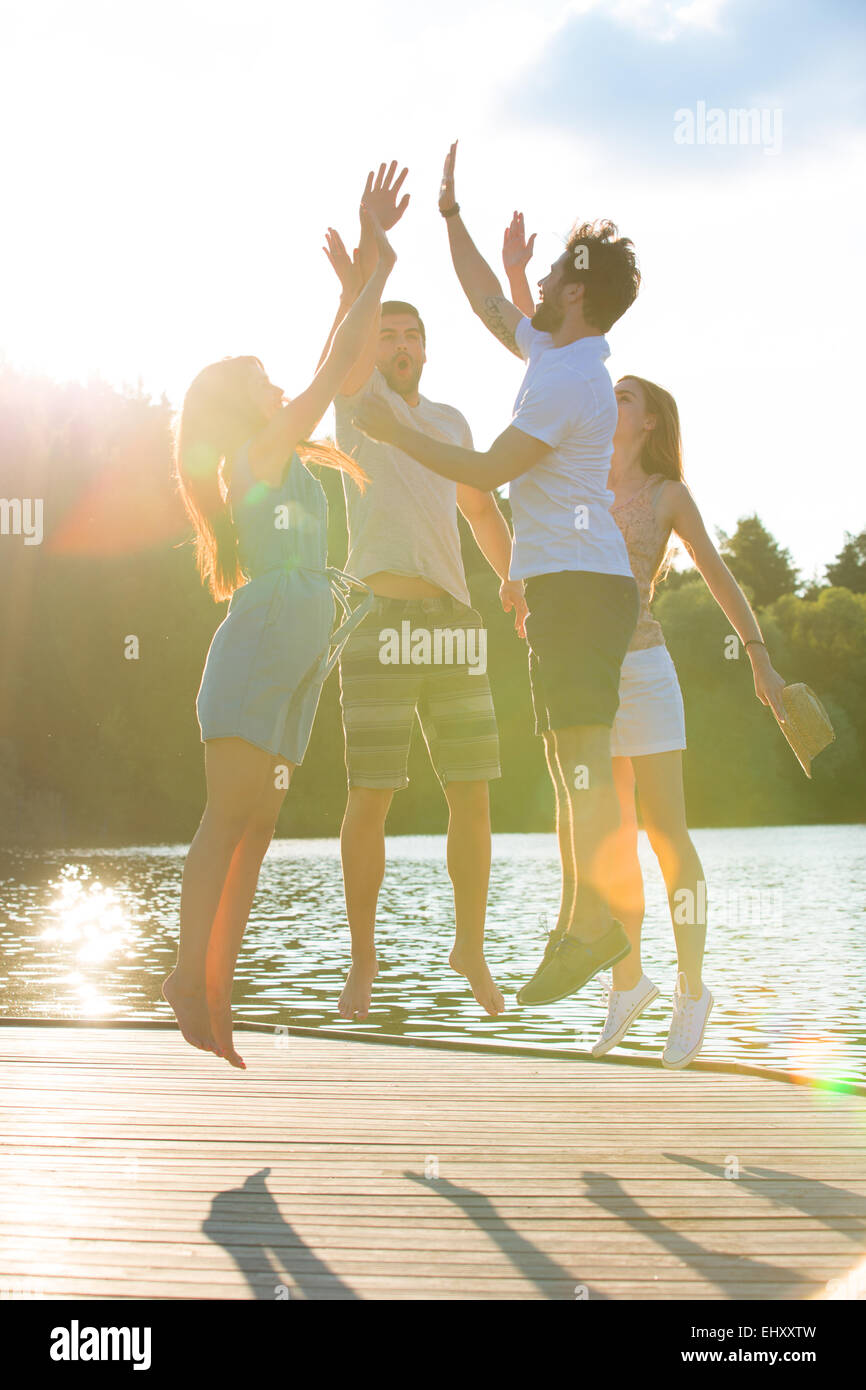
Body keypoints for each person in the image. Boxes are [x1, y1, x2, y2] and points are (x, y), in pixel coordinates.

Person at [354, 142, 642, 1008]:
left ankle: (599, 923)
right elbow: (486, 302)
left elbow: (480, 476)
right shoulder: (555, 356)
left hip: (583, 587)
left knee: (582, 755)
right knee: (567, 758)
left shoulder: (569, 382)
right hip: (564, 585)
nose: (540, 280)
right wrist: (452, 218)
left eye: (554, 271)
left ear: (578, 291)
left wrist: (397, 432)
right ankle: (577, 922)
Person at [502, 214, 788, 1065]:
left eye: (627, 396)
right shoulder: (578, 458)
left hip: (645, 670)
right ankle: (628, 981)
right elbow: (546, 356)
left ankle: (692, 987)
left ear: (650, 422)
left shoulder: (665, 493)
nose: (611, 396)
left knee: (667, 835)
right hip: (585, 667)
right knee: (600, 830)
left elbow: (722, 574)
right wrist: (523, 281)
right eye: (612, 392)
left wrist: (762, 657)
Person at [163, 205, 396, 1069]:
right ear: (244, 404)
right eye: (264, 379)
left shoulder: (282, 451)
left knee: (258, 831)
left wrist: (350, 291)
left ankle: (216, 992)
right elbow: (333, 370)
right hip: (263, 642)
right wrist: (378, 270)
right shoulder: (254, 456)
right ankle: (189, 978)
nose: (278, 387)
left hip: (297, 655)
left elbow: (330, 366)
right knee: (229, 819)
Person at [317, 162, 526, 1022]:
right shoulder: (357, 405)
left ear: (428, 350)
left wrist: (514, 581)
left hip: (453, 625)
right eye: (387, 334)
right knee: (372, 793)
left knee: (471, 791)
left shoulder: (451, 425)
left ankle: (469, 949)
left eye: (412, 336)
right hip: (377, 619)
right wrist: (370, 265)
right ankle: (363, 963)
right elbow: (345, 348)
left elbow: (481, 508)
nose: (398, 345)